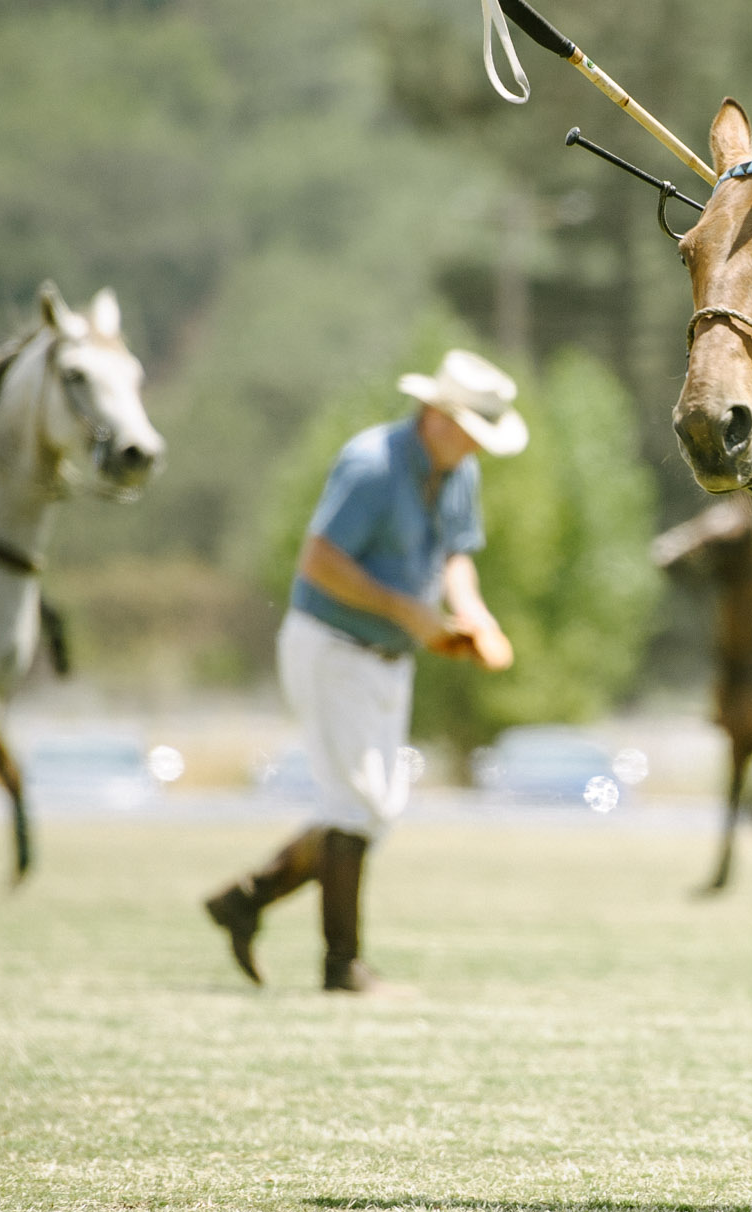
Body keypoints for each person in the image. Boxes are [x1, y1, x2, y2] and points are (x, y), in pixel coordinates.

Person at [204, 349, 524, 993]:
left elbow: (457, 553)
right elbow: (318, 561)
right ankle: (340, 964)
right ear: (434, 415)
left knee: (375, 809)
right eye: (470, 432)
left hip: (388, 656)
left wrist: (471, 614)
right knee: (355, 805)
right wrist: (408, 611)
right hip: (330, 644)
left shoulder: (455, 470)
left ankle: (246, 900)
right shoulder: (372, 465)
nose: (476, 449)